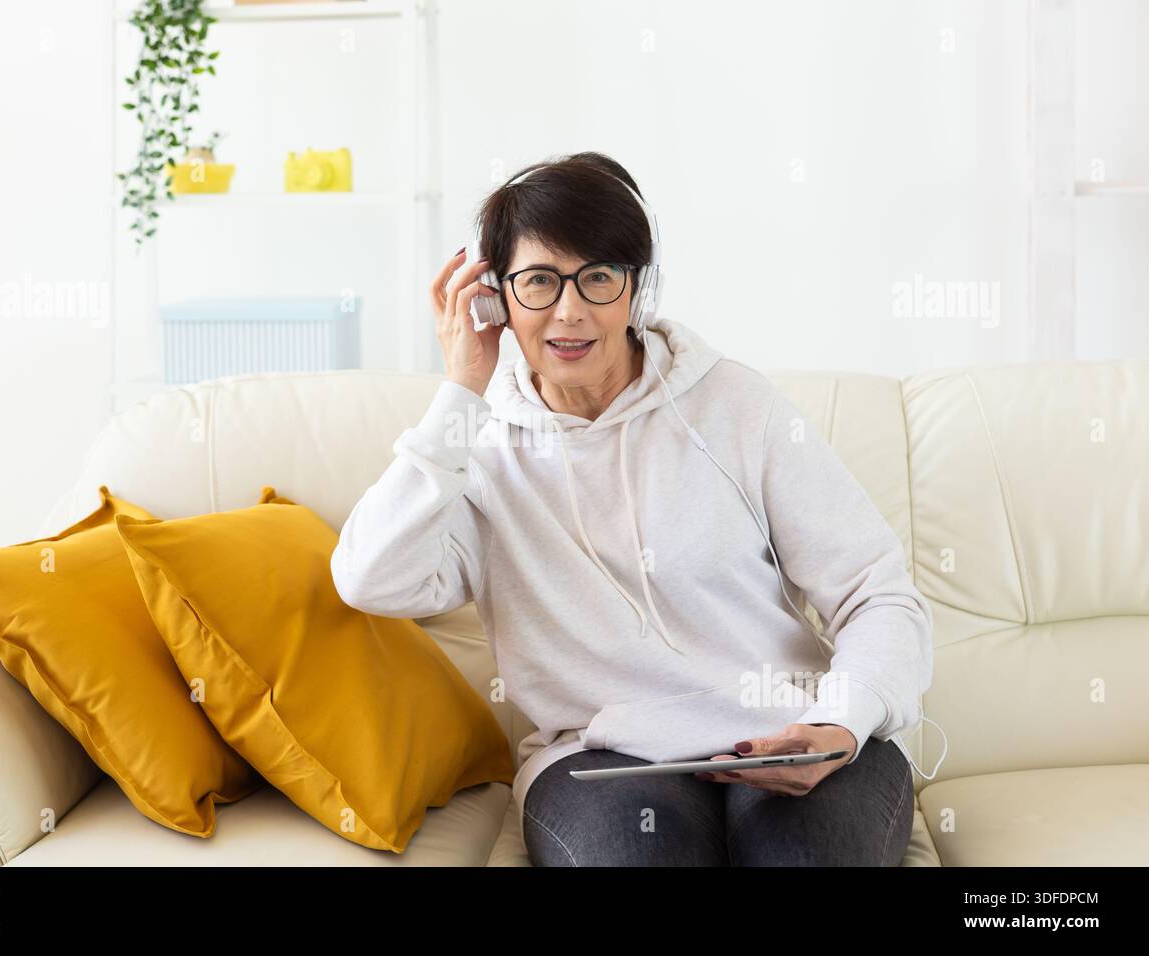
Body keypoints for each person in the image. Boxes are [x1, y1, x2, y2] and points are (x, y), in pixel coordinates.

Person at [330, 151, 932, 866]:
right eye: (539, 281)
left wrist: (841, 721)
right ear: (491, 295)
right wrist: (461, 390)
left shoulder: (735, 406)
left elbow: (880, 594)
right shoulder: (474, 446)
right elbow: (371, 578)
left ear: (635, 288)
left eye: (599, 277)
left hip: (793, 727)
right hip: (601, 762)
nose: (571, 309)